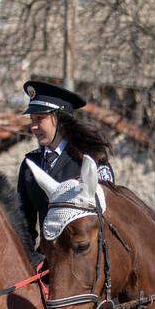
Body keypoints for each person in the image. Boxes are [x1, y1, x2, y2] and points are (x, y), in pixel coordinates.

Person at [16, 80, 115, 245]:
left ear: (59, 119)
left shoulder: (90, 160)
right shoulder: (29, 164)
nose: (33, 127)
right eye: (32, 120)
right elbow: (24, 224)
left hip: (85, 261)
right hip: (47, 261)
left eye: (39, 119)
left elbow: (108, 216)